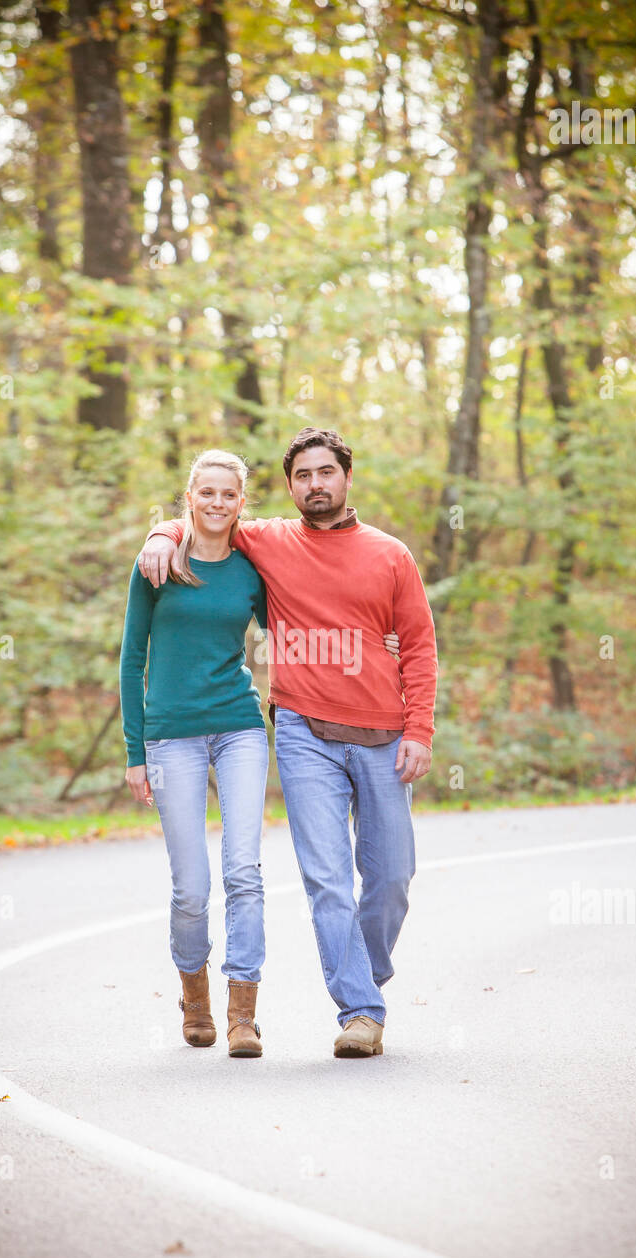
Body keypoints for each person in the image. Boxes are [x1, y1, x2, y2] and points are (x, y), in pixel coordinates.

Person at [137, 427, 438, 1059]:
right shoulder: (268, 540)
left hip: (383, 734)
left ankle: (364, 969)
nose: (315, 485)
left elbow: (418, 645)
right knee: (326, 879)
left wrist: (420, 730)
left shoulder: (391, 555)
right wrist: (160, 532)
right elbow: (206, 517)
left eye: (325, 473)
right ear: (289, 488)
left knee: (391, 879)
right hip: (302, 731)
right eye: (303, 476)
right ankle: (360, 1011)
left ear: (346, 478)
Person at [119, 449, 269, 1057]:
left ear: (240, 503)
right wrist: (135, 750)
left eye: (228, 495)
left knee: (244, 871)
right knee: (191, 885)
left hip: (239, 726)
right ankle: (196, 995)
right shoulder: (157, 562)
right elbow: (132, 660)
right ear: (189, 499)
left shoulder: (253, 569)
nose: (216, 503)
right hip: (171, 734)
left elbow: (297, 629)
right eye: (205, 493)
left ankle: (242, 1012)